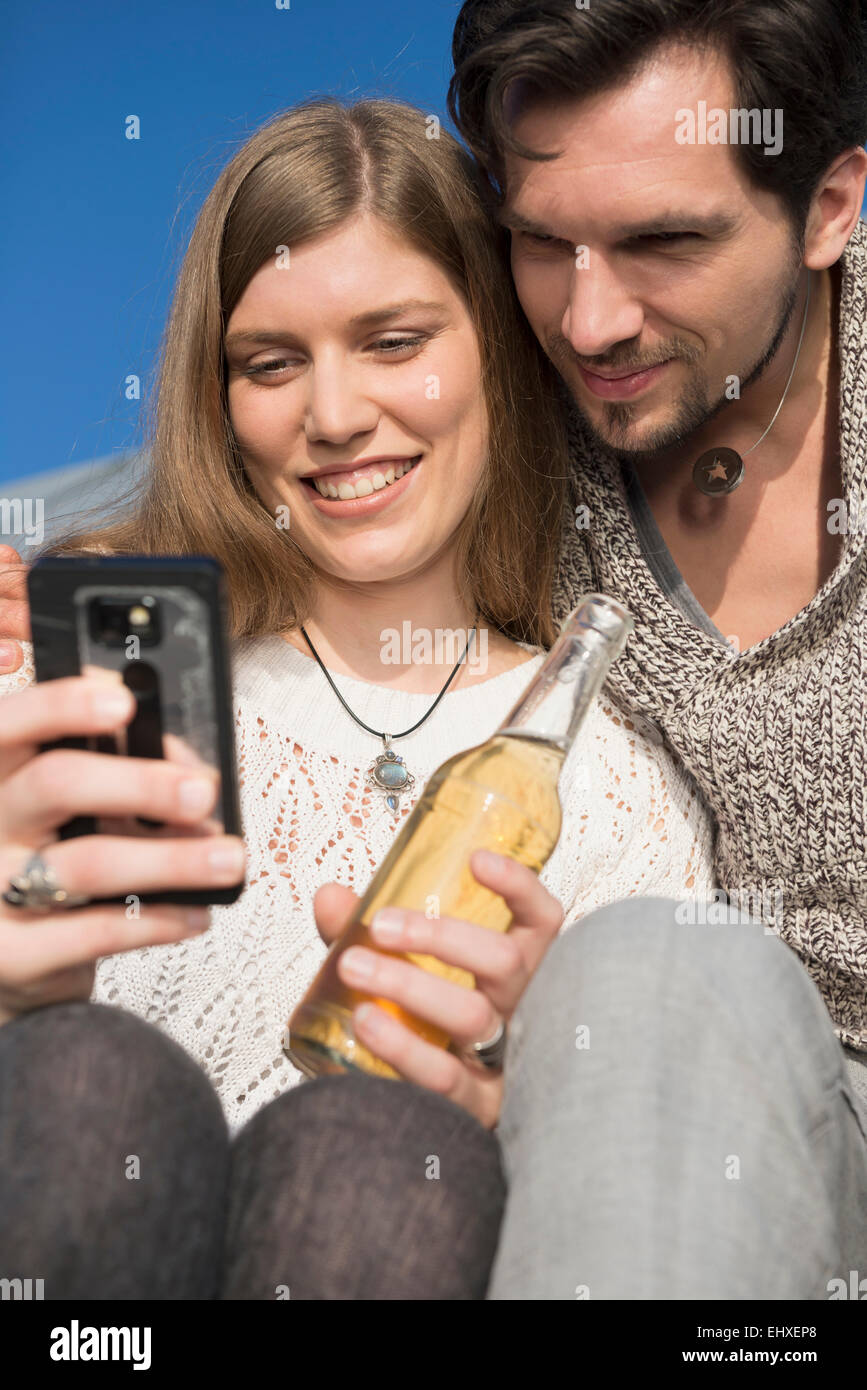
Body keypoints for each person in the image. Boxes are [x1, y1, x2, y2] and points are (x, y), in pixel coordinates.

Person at [0, 97, 714, 1299]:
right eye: (270, 363)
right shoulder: (81, 678)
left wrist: (522, 1096)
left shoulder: (614, 800)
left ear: (499, 344)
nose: (332, 417)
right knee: (88, 1076)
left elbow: (631, 1235)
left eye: (393, 341)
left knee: (388, 1148)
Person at [440, 0, 867, 1296]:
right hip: (673, 1130)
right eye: (538, 244)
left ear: (830, 209)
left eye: (662, 243)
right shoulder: (499, 398)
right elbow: (281, 458)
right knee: (647, 963)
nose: (588, 323)